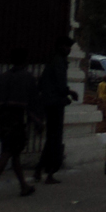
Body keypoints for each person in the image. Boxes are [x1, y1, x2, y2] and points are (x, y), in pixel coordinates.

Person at [0, 49, 38, 201]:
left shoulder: (3, 77)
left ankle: (23, 186)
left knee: (14, 153)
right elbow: (32, 102)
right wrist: (37, 120)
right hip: (16, 120)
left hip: (2, 118)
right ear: (25, 61)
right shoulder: (27, 78)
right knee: (8, 152)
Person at [33, 36, 76, 183]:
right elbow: (60, 85)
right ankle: (49, 173)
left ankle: (40, 169)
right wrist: (68, 93)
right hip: (55, 104)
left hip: (50, 103)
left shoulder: (54, 61)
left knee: (51, 138)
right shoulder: (59, 62)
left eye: (69, 47)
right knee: (55, 139)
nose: (68, 49)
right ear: (59, 47)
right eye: (66, 46)